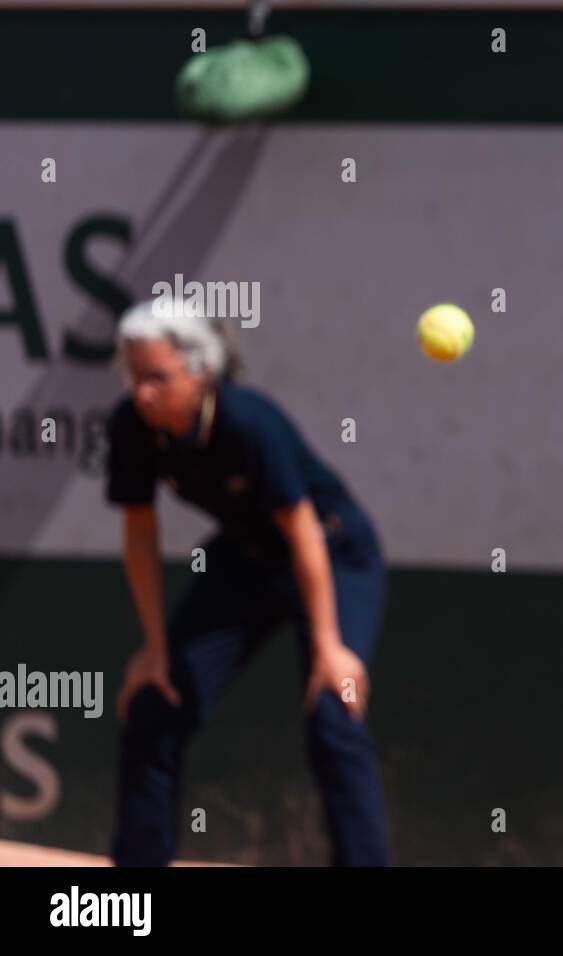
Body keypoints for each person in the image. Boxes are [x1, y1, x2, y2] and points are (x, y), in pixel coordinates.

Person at [105, 297, 389, 866]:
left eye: (158, 378)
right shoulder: (132, 426)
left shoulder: (250, 421)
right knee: (155, 707)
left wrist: (331, 649)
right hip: (244, 560)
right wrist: (156, 650)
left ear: (201, 370)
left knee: (337, 710)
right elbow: (140, 534)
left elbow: (303, 529)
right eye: (136, 378)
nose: (143, 393)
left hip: (332, 556)